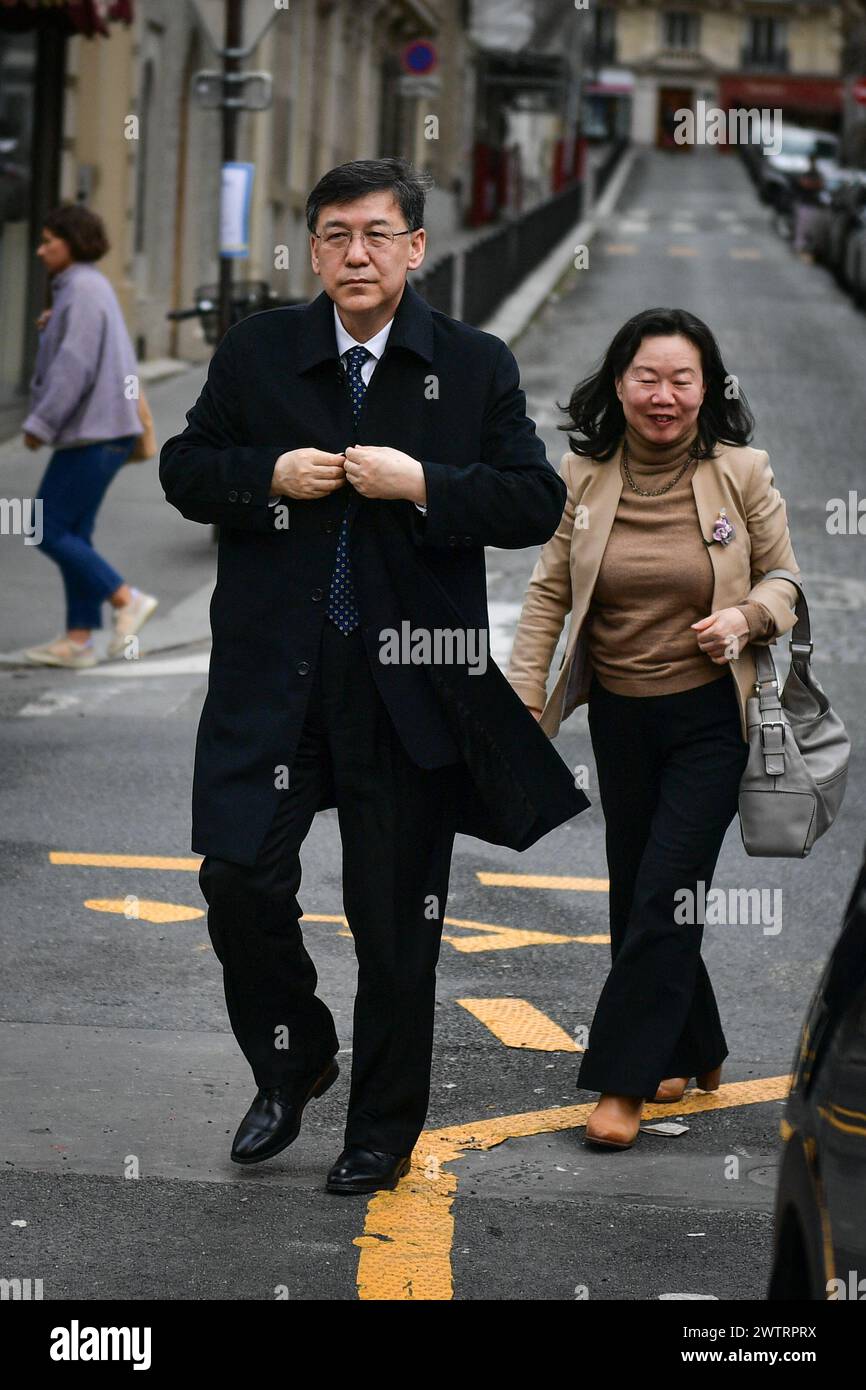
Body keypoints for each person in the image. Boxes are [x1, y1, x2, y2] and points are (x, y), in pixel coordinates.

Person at [159, 158, 588, 1195]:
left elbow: (533, 501)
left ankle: (379, 1131)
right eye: (336, 235)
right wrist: (263, 475)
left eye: (376, 234)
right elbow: (182, 468)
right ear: (313, 250)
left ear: (413, 249)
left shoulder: (472, 363)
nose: (356, 253)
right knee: (236, 877)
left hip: (407, 687)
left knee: (397, 927)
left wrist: (422, 484)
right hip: (276, 680)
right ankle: (293, 1054)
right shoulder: (261, 352)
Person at [507, 307, 801, 1150]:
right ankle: (693, 1044)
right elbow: (549, 595)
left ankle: (624, 1083)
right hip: (622, 718)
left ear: (708, 389)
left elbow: (786, 580)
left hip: (712, 717)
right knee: (641, 888)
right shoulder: (585, 475)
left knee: (667, 888)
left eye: (682, 379)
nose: (664, 396)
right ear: (620, 384)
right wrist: (527, 697)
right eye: (648, 378)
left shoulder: (741, 473)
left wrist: (745, 617)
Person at [22, 203, 158, 668]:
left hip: (95, 433)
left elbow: (72, 368)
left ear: (72, 242)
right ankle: (79, 639)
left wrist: (39, 425)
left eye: (48, 242)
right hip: (106, 432)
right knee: (74, 530)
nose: (40, 251)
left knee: (43, 526)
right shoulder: (87, 287)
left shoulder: (80, 288)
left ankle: (126, 599)